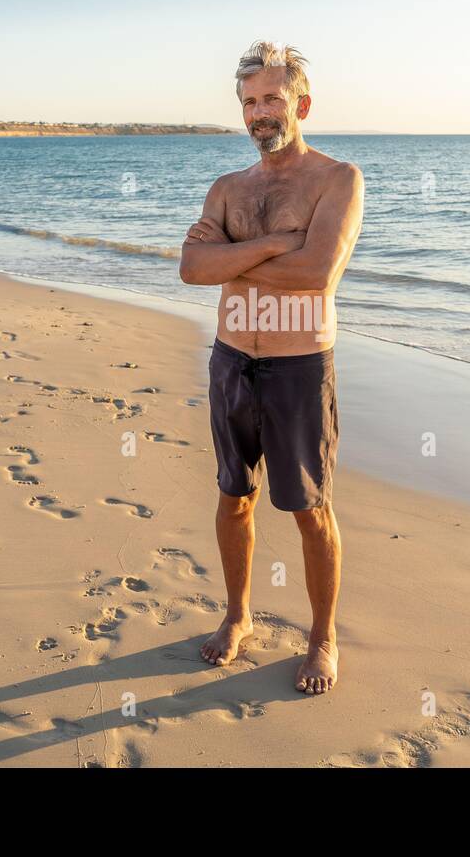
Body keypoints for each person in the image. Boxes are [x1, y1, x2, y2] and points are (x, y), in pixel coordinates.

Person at [180, 41, 364, 694]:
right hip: (232, 363)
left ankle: (324, 637)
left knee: (311, 509)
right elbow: (191, 267)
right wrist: (272, 244)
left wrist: (233, 255)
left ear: (301, 103)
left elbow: (317, 274)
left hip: (298, 370)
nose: (260, 112)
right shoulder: (227, 189)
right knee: (234, 498)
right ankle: (237, 615)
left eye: (272, 99)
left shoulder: (337, 179)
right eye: (250, 101)